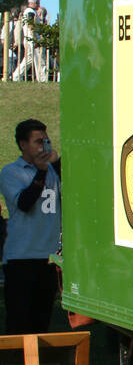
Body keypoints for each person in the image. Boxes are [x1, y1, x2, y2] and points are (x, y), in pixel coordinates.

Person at [1, 119, 61, 334]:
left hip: (48, 258)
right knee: (19, 324)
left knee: (41, 323)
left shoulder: (54, 171)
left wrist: (56, 164)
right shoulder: (10, 172)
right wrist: (42, 172)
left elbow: (75, 196)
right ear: (22, 144)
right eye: (38, 142)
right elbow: (24, 203)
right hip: (21, 258)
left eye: (47, 141)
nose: (43, 146)